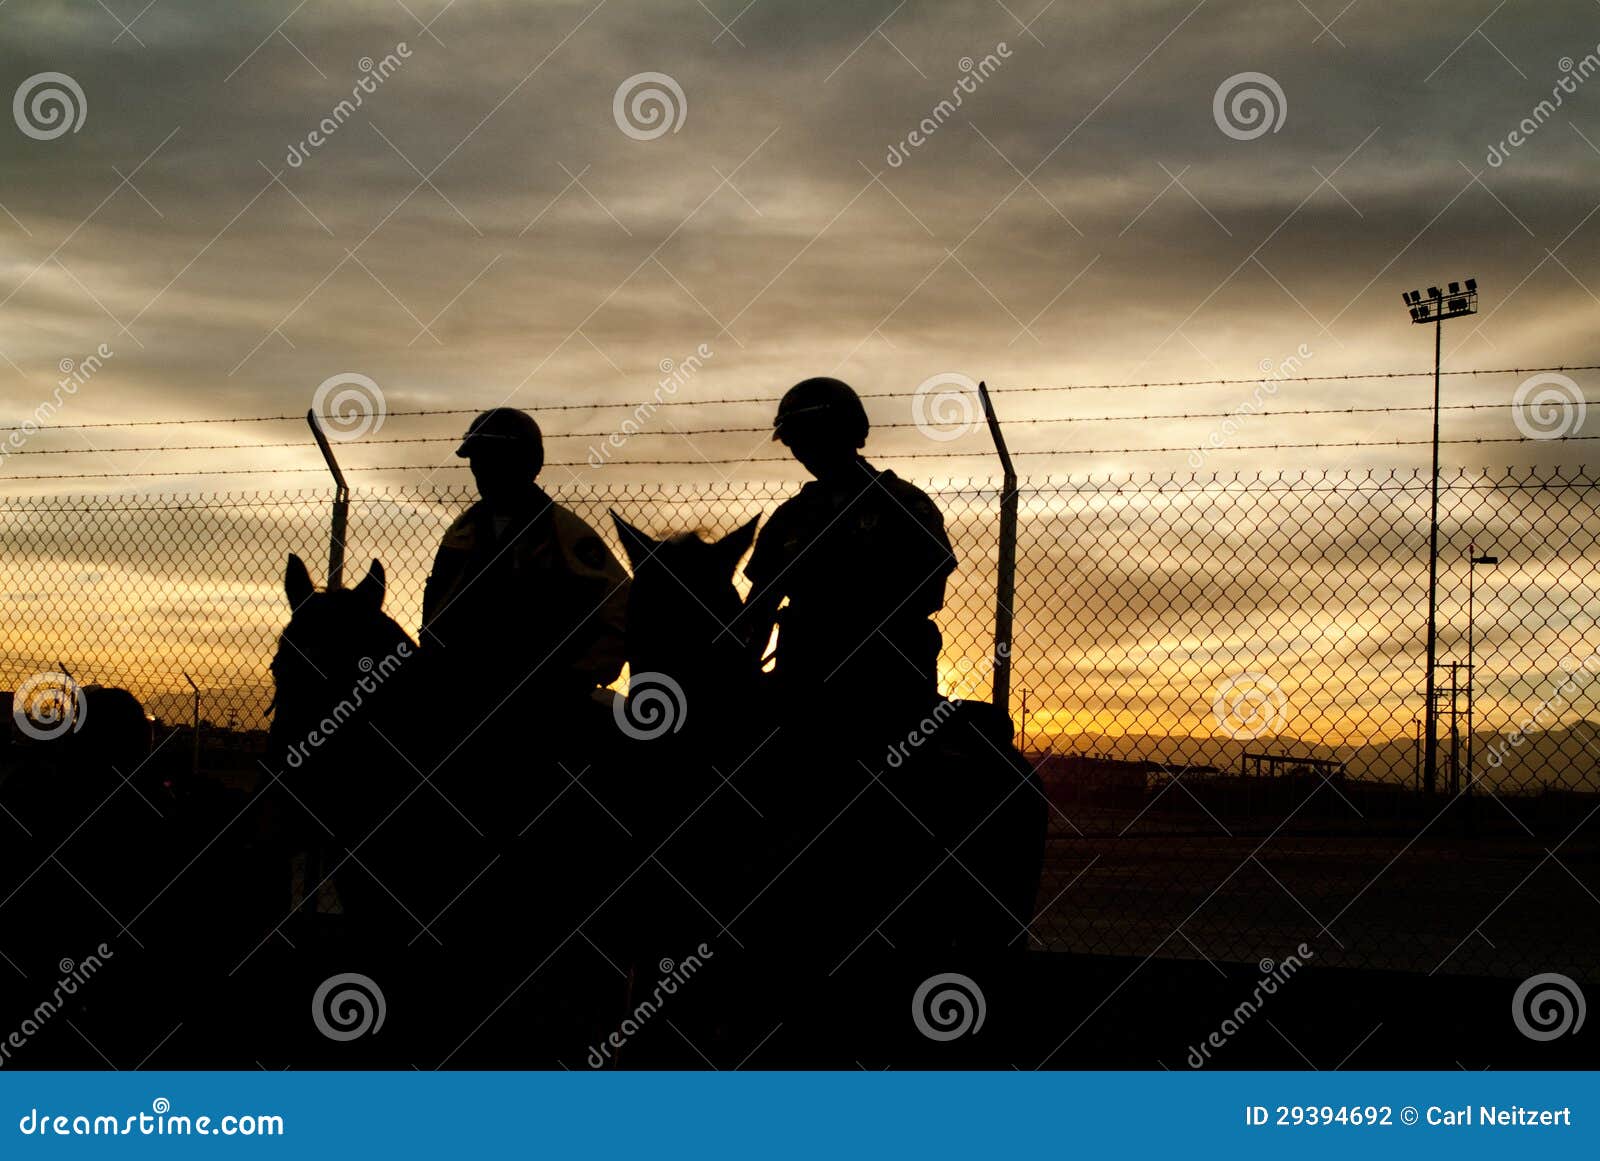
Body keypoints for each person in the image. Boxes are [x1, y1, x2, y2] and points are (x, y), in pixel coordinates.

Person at [740, 378, 956, 746]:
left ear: (848, 432)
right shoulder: (790, 518)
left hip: (889, 690)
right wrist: (741, 673)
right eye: (793, 439)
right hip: (801, 689)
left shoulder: (903, 505)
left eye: (810, 434)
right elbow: (758, 611)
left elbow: (928, 594)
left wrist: (841, 614)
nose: (801, 449)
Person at [421, 407, 630, 722]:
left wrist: (578, 676)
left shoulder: (565, 533)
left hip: (544, 704)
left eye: (493, 458)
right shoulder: (461, 532)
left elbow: (619, 606)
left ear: (526, 462)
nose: (482, 469)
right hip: (461, 696)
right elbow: (438, 606)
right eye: (477, 459)